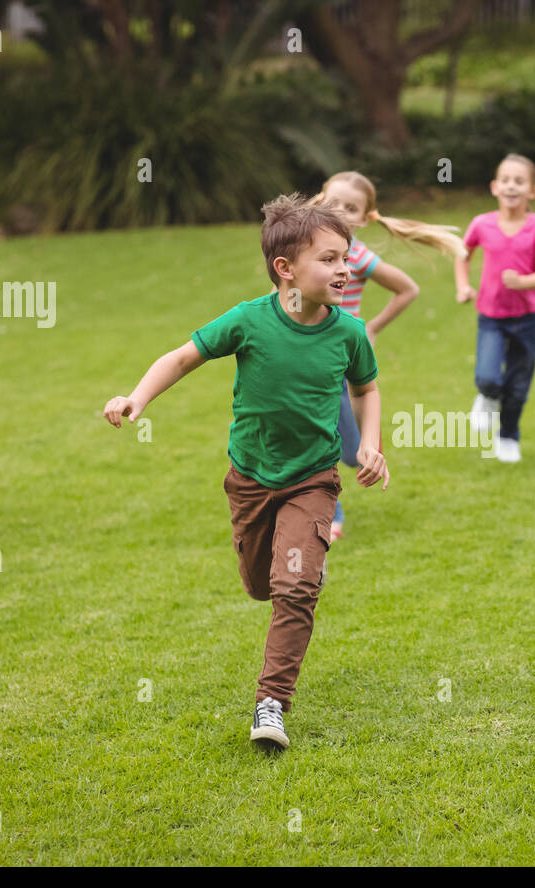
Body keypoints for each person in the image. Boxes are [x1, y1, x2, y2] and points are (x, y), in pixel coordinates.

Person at [103, 194, 388, 750]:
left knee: (295, 591)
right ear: (286, 270)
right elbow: (182, 357)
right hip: (252, 477)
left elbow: (367, 389)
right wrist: (137, 398)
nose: (344, 269)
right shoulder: (249, 320)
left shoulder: (348, 333)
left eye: (346, 257)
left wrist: (370, 446)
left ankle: (271, 704)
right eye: (329, 259)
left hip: (313, 477)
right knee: (263, 585)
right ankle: (294, 572)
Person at [313, 171, 464, 541]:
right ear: (319, 201)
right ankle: (329, 512)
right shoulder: (305, 245)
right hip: (306, 355)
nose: (340, 212)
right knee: (315, 433)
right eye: (333, 203)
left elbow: (407, 289)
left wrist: (373, 327)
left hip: (341, 356)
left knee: (349, 452)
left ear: (365, 218)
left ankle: (361, 450)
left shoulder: (359, 256)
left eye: (351, 208)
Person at [455, 153, 535, 464]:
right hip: (492, 316)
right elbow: (463, 254)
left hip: (528, 319)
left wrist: (522, 282)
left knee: (518, 384)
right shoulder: (481, 224)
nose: (512, 186)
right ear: (494, 187)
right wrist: (463, 286)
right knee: (487, 377)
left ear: (533, 191)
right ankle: (486, 397)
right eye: (506, 180)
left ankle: (508, 437)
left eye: (519, 181)